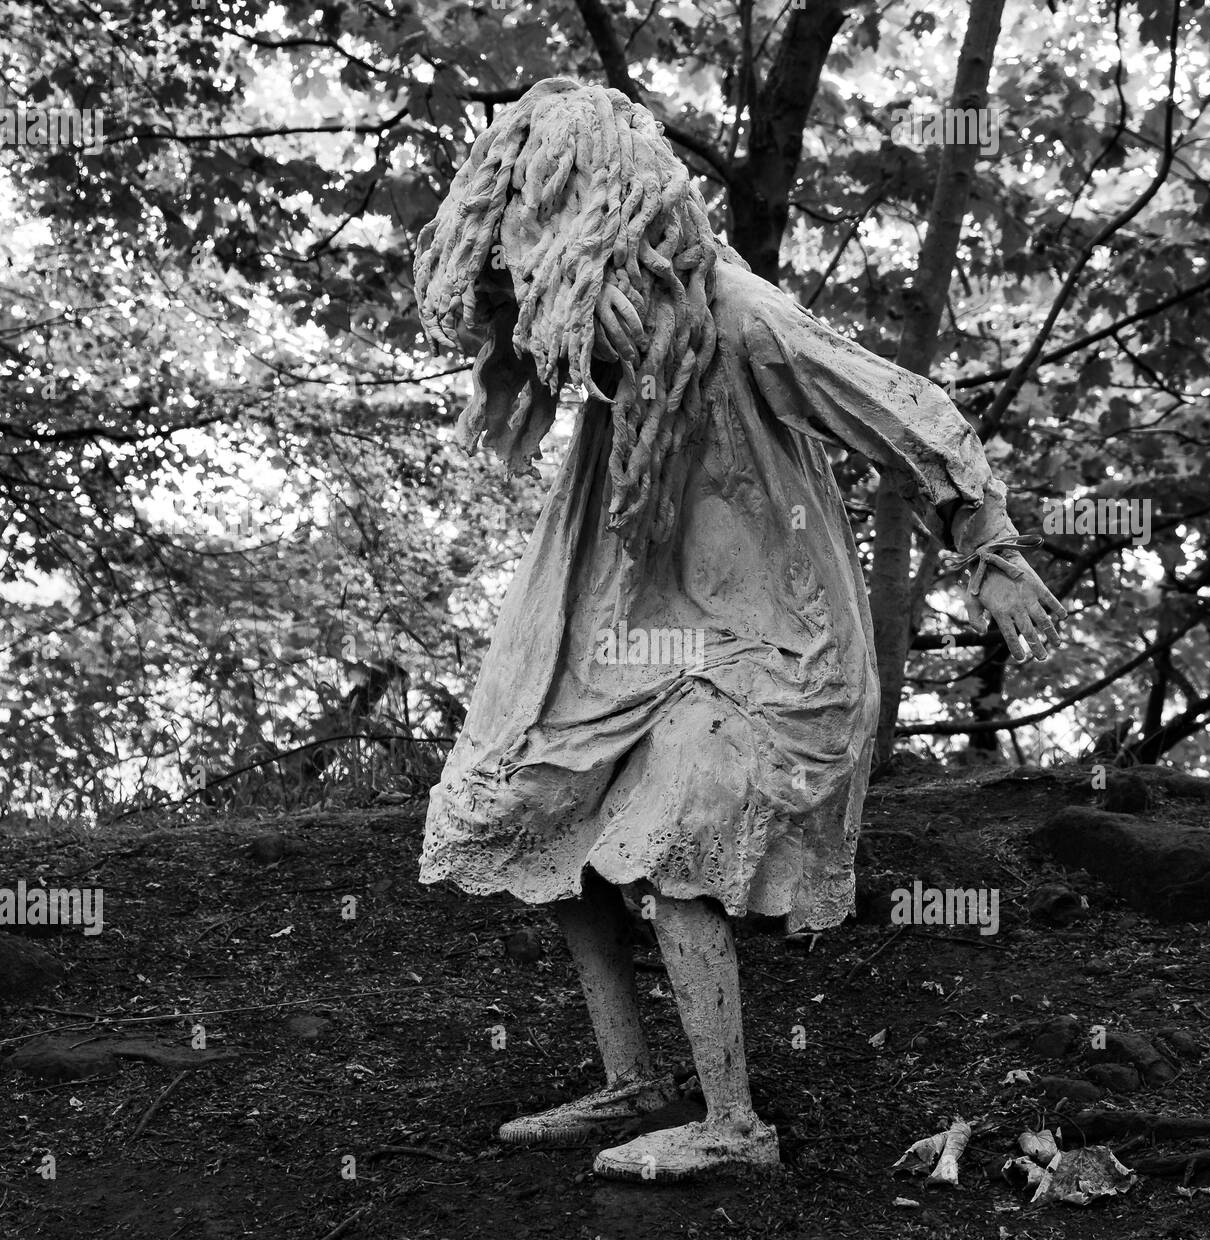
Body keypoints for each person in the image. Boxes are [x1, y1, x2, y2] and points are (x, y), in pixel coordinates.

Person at [413, 77, 1064, 1180]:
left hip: (772, 653)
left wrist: (989, 548)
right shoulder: (624, 335)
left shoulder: (745, 318)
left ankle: (733, 1124)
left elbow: (897, 407)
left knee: (669, 850)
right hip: (643, 637)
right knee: (533, 806)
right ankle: (630, 1078)